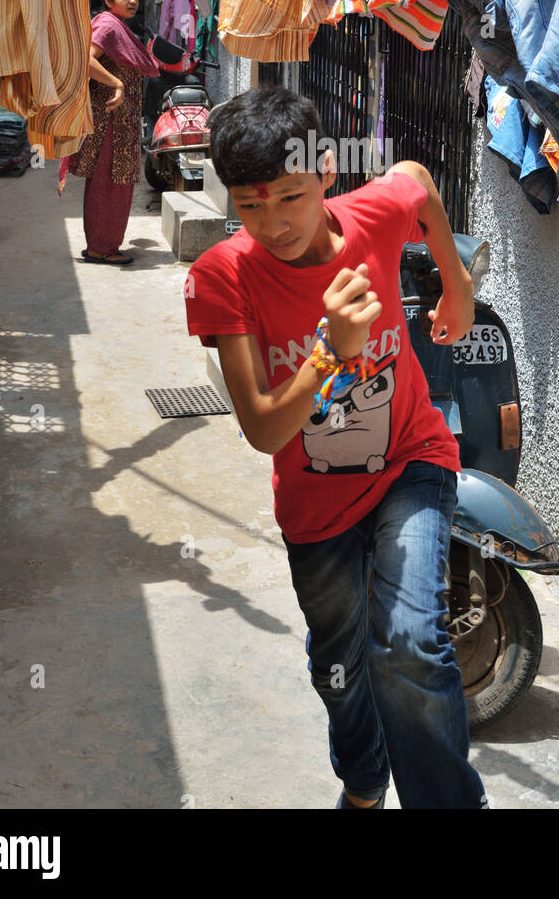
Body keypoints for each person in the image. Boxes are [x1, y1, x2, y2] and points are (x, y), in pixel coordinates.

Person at [183, 85, 488, 810]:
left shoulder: (371, 216)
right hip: (314, 503)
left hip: (409, 462)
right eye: (250, 205)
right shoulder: (222, 276)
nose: (272, 222)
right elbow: (262, 429)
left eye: (289, 196)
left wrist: (457, 283)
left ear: (325, 171)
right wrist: (328, 353)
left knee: (409, 643)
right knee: (339, 665)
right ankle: (361, 783)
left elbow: (414, 180)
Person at [61, 0, 157, 265]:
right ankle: (101, 248)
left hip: (120, 120)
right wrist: (117, 84)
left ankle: (101, 244)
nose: (131, 2)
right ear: (107, 0)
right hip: (110, 122)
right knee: (109, 182)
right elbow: (86, 61)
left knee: (115, 181)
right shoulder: (106, 25)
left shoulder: (117, 26)